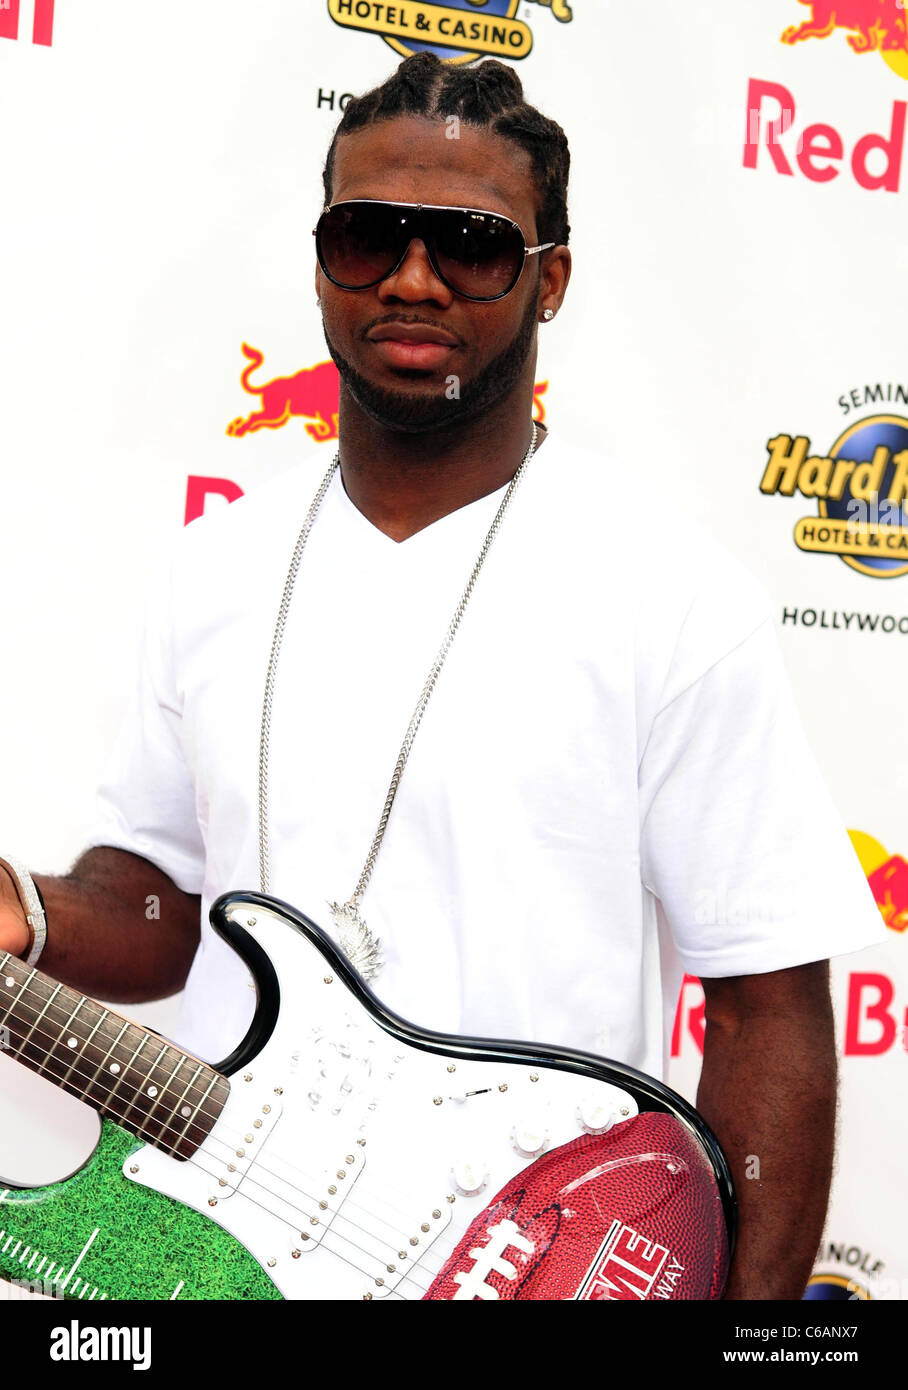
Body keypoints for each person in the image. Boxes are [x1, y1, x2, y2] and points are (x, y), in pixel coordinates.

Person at [0, 54, 887, 1300]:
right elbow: (157, 904)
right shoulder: (212, 569)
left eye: (469, 245)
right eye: (367, 236)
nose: (409, 280)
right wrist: (28, 912)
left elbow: (765, 1012)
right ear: (320, 261)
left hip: (507, 1261)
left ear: (549, 278)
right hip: (208, 1254)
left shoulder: (669, 598)